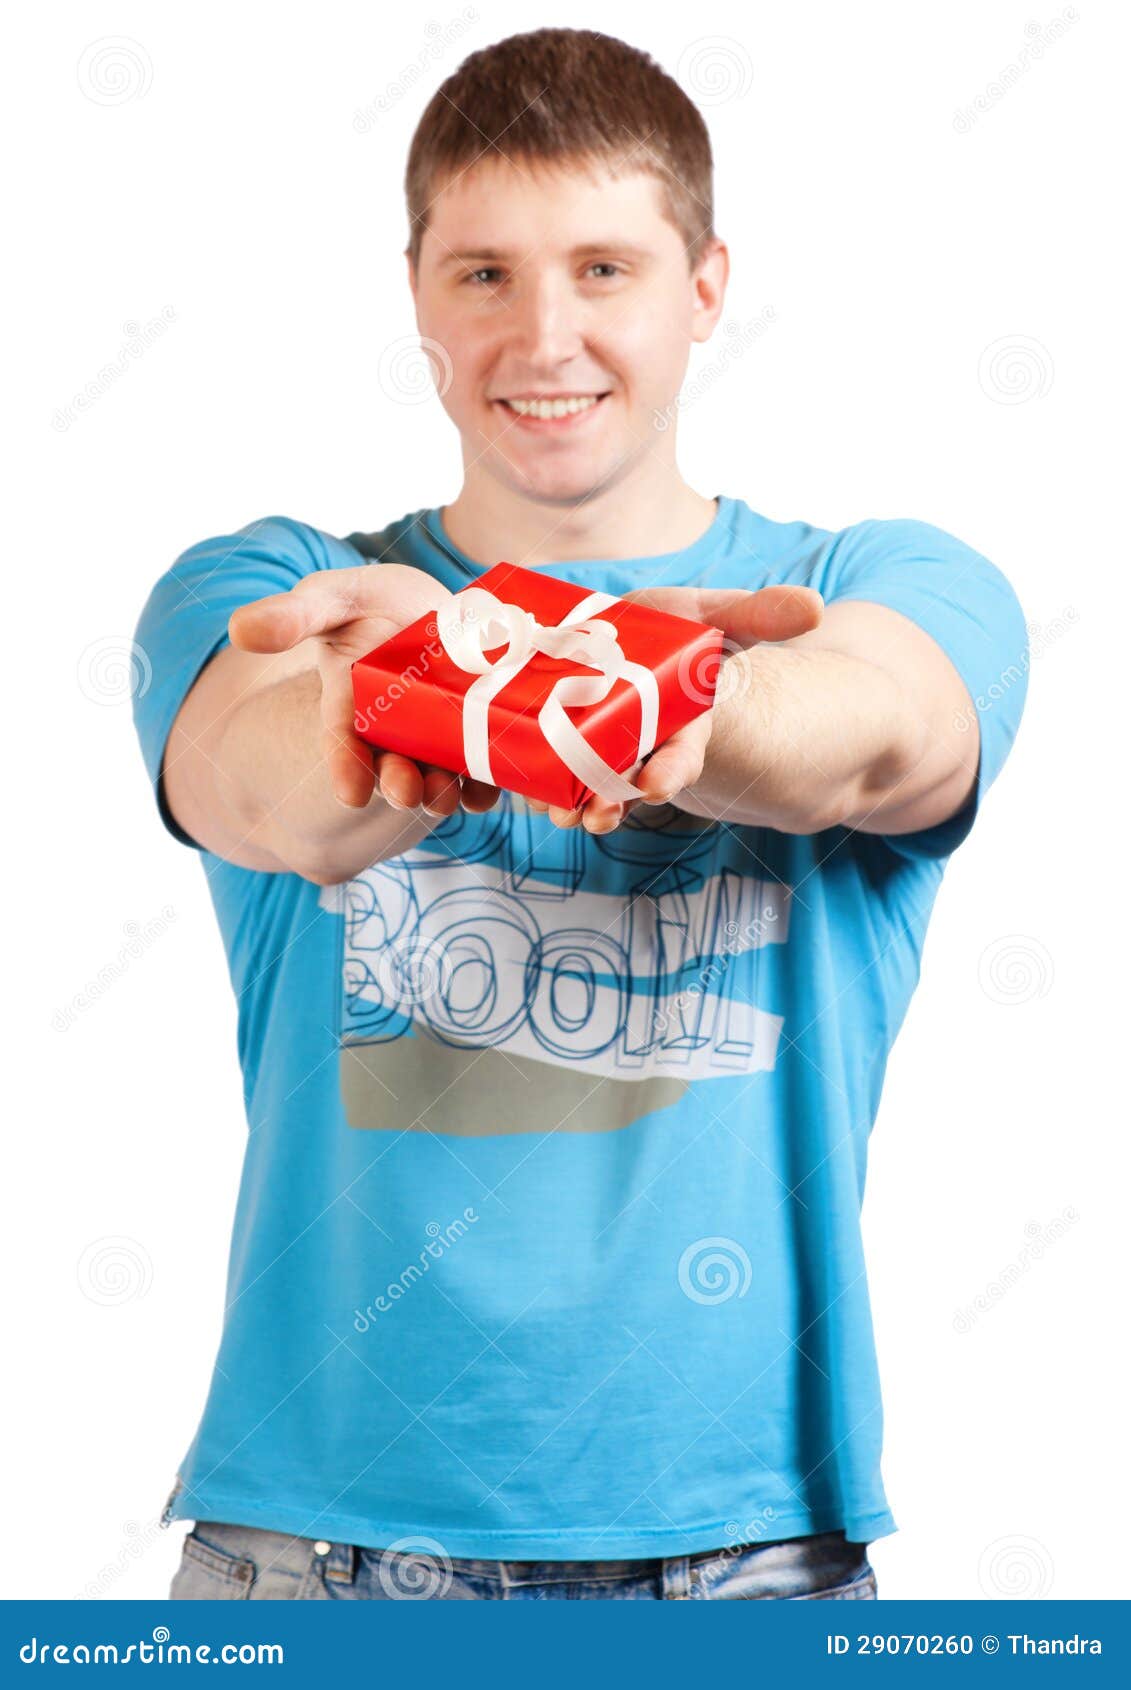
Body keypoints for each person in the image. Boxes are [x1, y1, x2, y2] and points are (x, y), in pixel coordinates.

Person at [132, 27, 1028, 1601]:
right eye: (484, 274)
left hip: (753, 1568)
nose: (544, 335)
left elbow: (879, 739)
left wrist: (656, 700)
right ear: (417, 291)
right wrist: (404, 681)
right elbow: (256, 781)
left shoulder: (869, 590)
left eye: (604, 267)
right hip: (315, 1559)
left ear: (704, 286)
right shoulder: (271, 589)